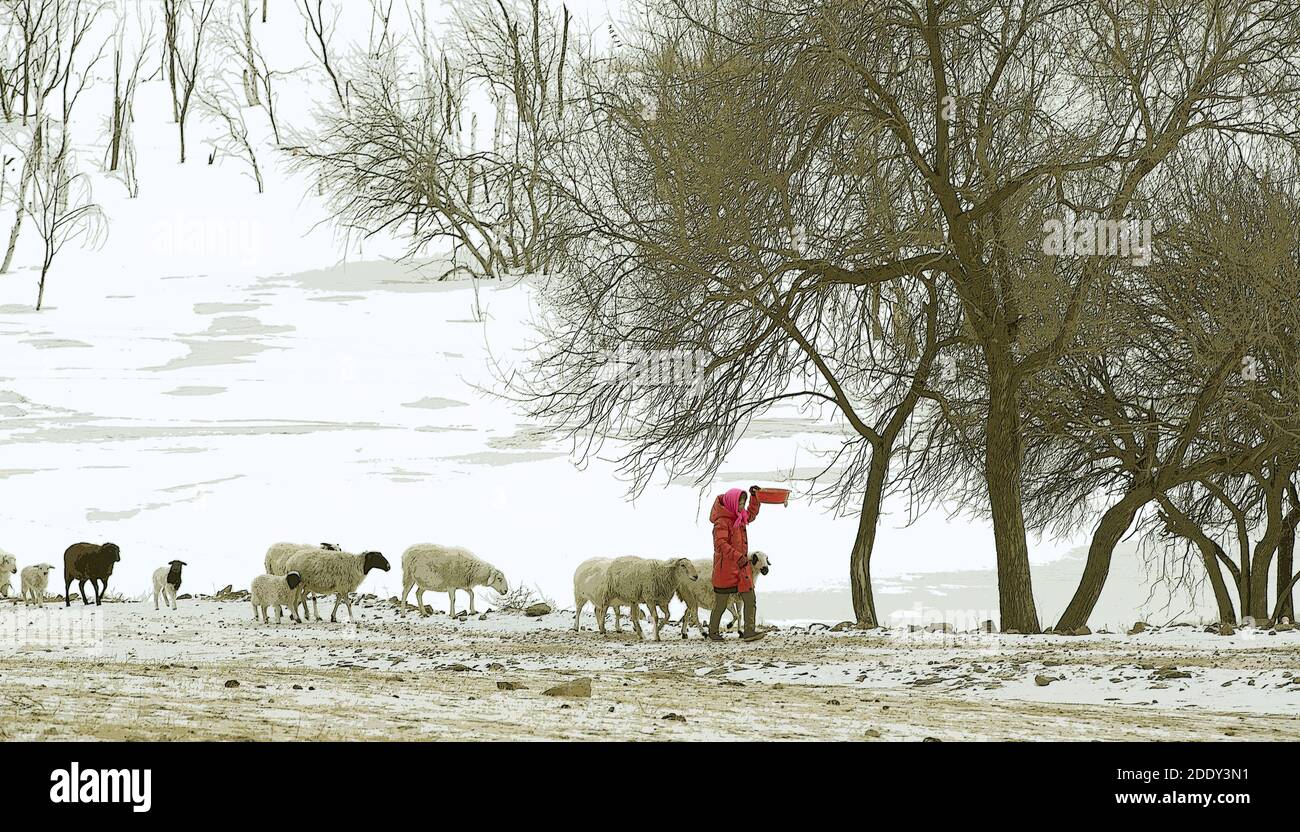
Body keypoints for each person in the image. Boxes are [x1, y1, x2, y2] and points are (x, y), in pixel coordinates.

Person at [708, 484, 765, 641]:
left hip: (741, 568)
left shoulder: (739, 517)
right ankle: (713, 632)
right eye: (740, 504)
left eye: (743, 504)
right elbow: (720, 543)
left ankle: (749, 631)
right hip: (725, 569)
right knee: (721, 603)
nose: (742, 507)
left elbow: (751, 514)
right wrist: (737, 556)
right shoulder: (722, 521)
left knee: (750, 598)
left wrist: (755, 497)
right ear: (732, 503)